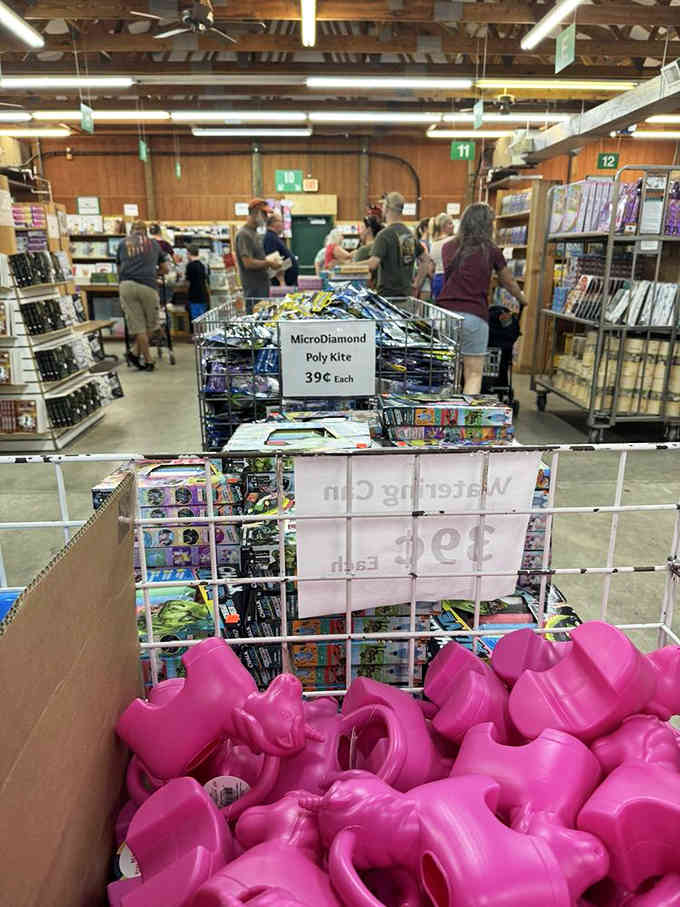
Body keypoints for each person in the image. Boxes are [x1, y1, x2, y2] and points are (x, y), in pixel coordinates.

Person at [437, 202, 527, 395]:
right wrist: (522, 298)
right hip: (474, 315)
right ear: (487, 225)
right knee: (474, 374)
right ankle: (466, 423)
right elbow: (508, 281)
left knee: (446, 374)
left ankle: (443, 417)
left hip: (444, 315)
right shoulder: (490, 249)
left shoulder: (448, 247)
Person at [116, 219, 170, 371]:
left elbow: (119, 267)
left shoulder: (122, 243)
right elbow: (165, 268)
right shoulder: (154, 244)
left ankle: (136, 354)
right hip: (148, 286)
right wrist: (153, 272)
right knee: (152, 325)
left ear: (131, 230)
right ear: (145, 231)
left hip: (126, 286)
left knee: (138, 325)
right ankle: (147, 360)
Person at [365, 191, 430, 298]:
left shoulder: (384, 235)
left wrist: (349, 266)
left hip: (387, 297)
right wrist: (416, 284)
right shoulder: (409, 234)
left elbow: (373, 263)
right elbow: (426, 259)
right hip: (406, 296)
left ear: (386, 208)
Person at [235, 199, 282, 311]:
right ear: (256, 213)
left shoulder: (255, 233)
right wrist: (269, 263)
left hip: (261, 286)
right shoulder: (244, 234)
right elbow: (248, 263)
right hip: (253, 288)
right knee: (255, 320)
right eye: (264, 214)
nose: (266, 218)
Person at [263, 212, 299, 286]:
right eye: (281, 221)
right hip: (282, 284)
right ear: (274, 223)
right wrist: (282, 282)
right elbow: (273, 261)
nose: (283, 225)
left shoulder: (274, 237)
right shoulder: (270, 238)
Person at [429, 213, 456, 300]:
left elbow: (430, 268)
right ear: (444, 226)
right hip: (450, 279)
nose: (453, 226)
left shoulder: (433, 244)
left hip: (437, 279)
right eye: (450, 223)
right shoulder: (453, 240)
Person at [184, 244, 209, 322]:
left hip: (194, 297)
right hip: (203, 295)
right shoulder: (202, 265)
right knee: (202, 319)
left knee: (195, 321)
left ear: (189, 253)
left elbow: (187, 283)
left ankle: (197, 334)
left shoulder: (190, 266)